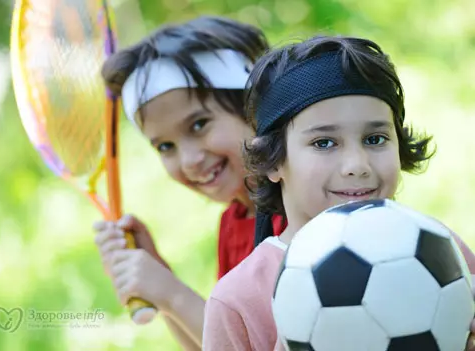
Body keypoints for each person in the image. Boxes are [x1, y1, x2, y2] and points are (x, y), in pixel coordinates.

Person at [202, 35, 475, 351]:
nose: (357, 165)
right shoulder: (238, 299)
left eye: (374, 139)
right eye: (324, 143)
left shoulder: (441, 249)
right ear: (273, 161)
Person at [92, 16, 286, 349]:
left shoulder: (299, 215)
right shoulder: (233, 223)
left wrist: (170, 292)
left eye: (198, 125)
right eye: (165, 146)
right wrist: (161, 284)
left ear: (254, 107)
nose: (189, 160)